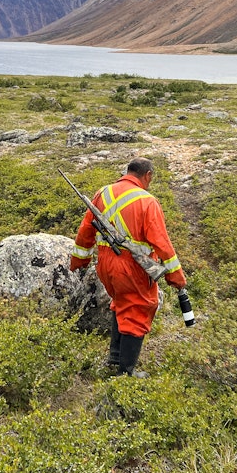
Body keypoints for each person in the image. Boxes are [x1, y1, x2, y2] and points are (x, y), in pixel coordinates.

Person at [70, 157, 187, 377]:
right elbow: (163, 244)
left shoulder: (103, 193)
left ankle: (115, 358)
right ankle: (126, 373)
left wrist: (79, 261)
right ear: (148, 175)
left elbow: (85, 231)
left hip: (105, 264)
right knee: (138, 308)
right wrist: (176, 277)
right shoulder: (148, 201)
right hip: (131, 268)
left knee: (120, 302)